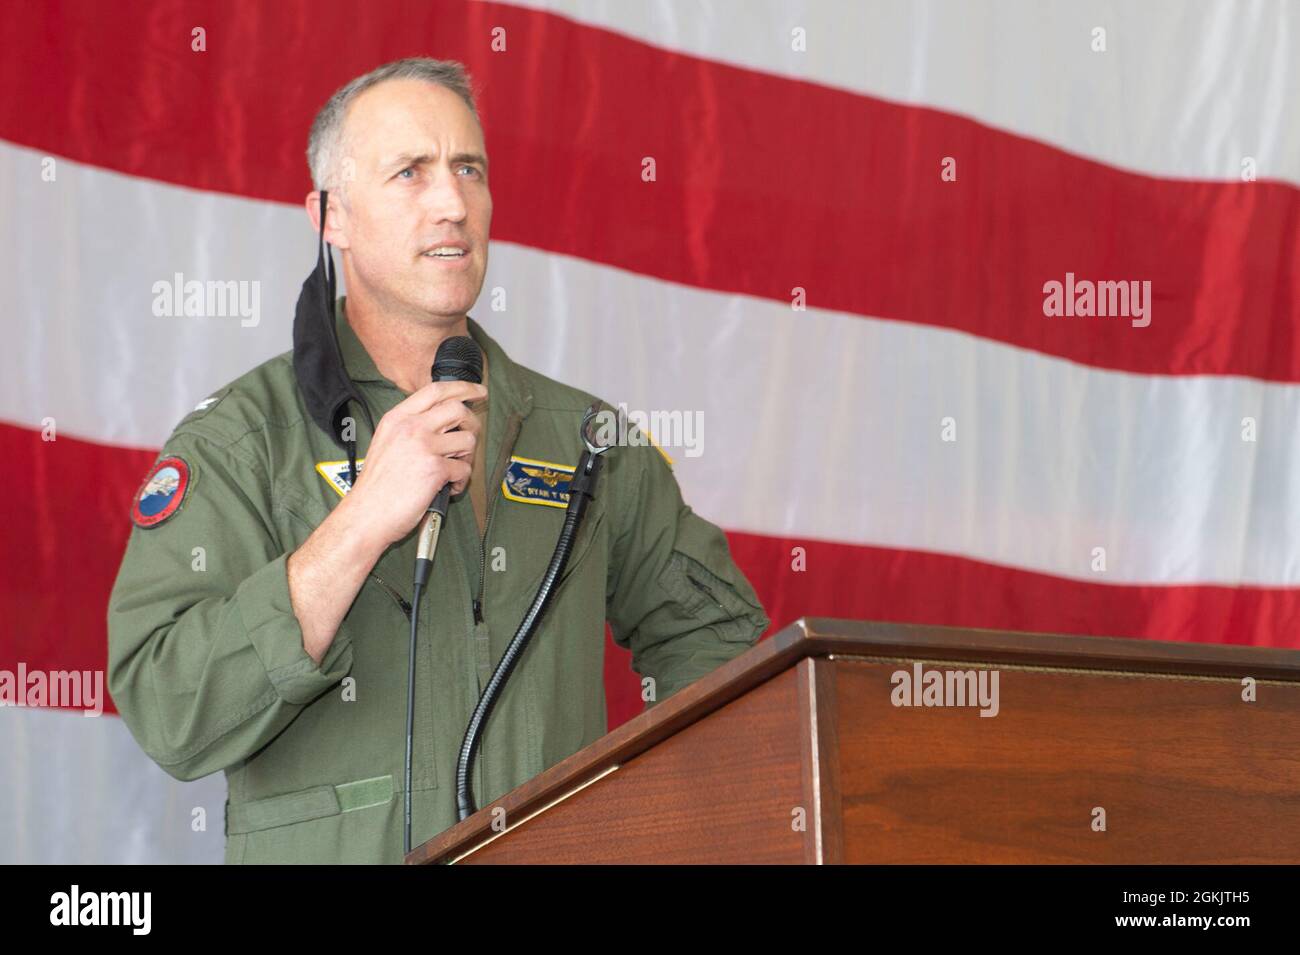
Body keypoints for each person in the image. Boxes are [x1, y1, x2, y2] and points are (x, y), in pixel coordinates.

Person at [107, 57, 769, 864]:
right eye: (410, 172)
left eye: (469, 169)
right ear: (331, 216)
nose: (453, 203)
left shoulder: (585, 438)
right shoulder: (242, 443)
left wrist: (639, 819)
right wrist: (359, 523)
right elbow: (169, 712)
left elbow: (719, 640)